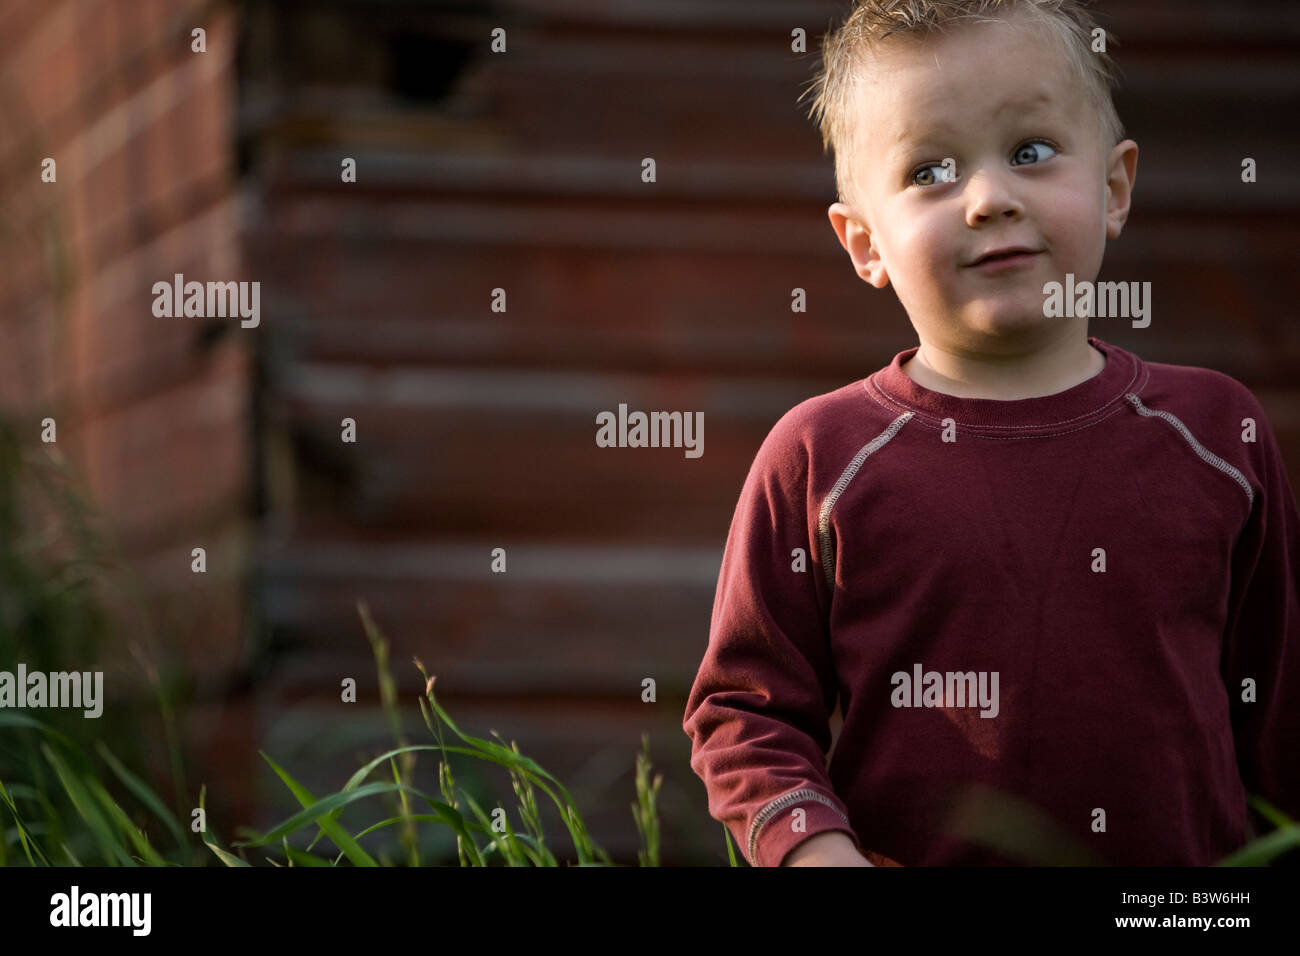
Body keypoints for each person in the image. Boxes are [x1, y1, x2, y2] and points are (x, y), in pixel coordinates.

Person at [682, 0, 1300, 867]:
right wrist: (817, 853)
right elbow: (746, 710)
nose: (989, 199)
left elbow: (1278, 706)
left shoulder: (1215, 432)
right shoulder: (822, 455)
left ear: (1115, 188)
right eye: (931, 171)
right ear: (864, 243)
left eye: (1031, 152)